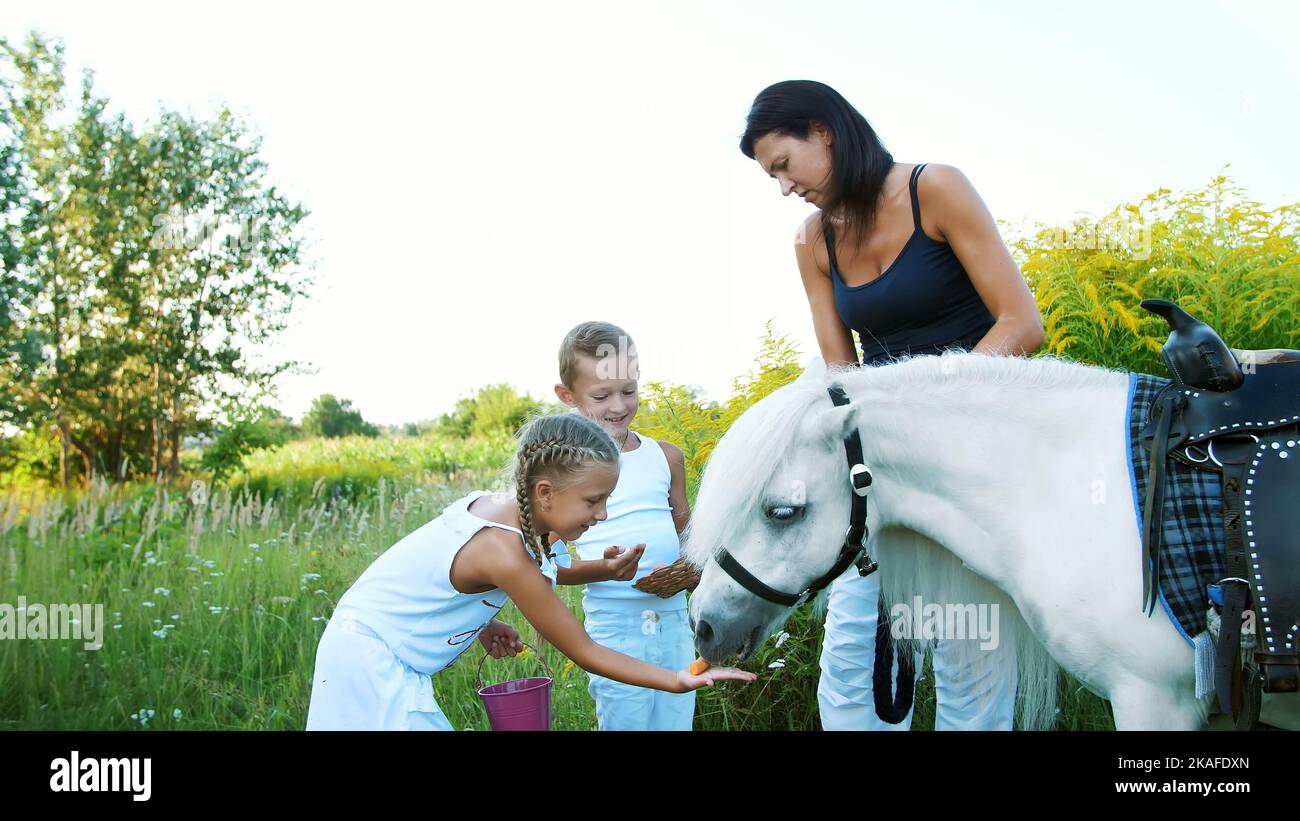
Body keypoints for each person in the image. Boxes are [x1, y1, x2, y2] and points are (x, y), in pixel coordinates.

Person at [739, 79, 1044, 731]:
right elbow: (841, 373)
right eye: (773, 177)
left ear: (823, 130)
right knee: (853, 658)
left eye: (784, 165)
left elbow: (1020, 324)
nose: (785, 186)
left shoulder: (936, 189)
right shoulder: (810, 242)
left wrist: (928, 413)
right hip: (882, 466)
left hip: (972, 456)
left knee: (971, 653)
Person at [305, 412, 753, 730]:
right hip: (368, 662)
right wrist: (675, 678)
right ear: (544, 492)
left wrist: (480, 618)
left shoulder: (504, 515)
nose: (602, 514)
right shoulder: (503, 551)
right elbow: (584, 650)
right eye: (593, 500)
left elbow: (437, 580)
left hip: (366, 644)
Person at [551, 321, 697, 730]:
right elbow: (547, 565)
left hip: (673, 623)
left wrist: (691, 569)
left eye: (628, 391)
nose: (619, 405)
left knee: (676, 720)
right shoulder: (566, 468)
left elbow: (690, 535)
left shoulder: (666, 457)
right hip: (615, 632)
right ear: (568, 396)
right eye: (601, 395)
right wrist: (604, 569)